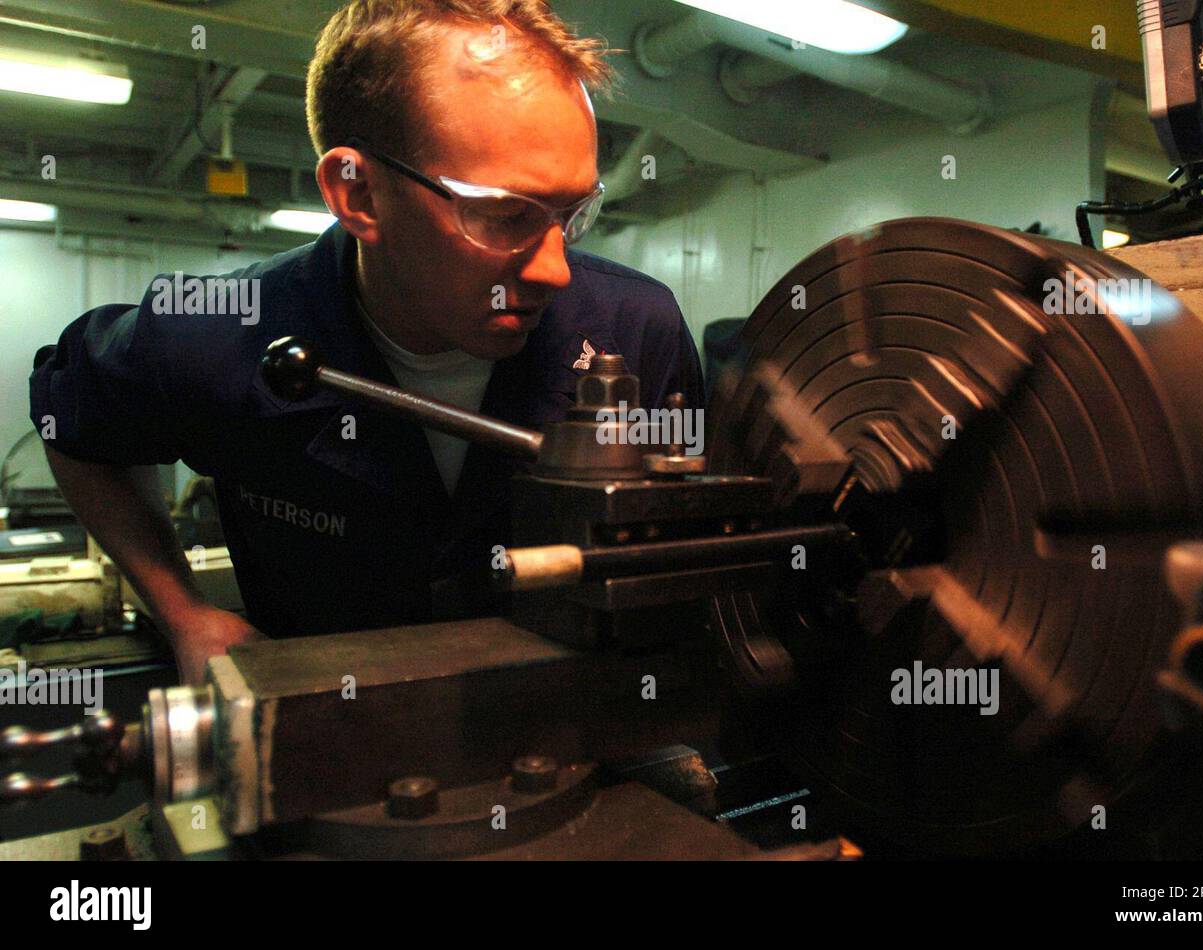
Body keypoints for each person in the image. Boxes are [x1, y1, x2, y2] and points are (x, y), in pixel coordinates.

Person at [29, 0, 704, 684]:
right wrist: (186, 616)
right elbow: (70, 422)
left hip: (564, 726)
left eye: (574, 213)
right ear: (358, 195)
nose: (556, 270)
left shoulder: (636, 327)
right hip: (324, 747)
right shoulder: (217, 335)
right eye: (504, 216)